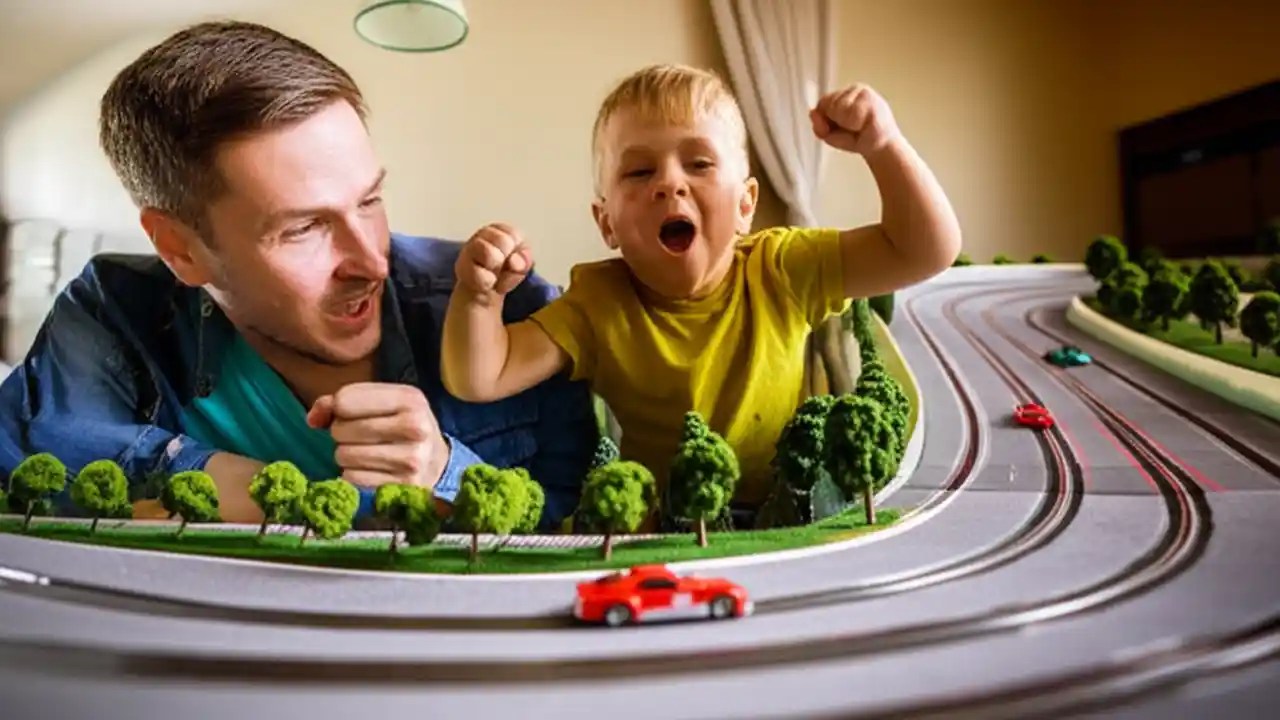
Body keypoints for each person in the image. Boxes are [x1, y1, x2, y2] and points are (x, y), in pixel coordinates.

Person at [0, 21, 596, 531]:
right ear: (180, 250)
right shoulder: (113, 311)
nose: (370, 261)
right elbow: (36, 465)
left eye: (370, 200)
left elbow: (589, 531)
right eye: (304, 228)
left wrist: (449, 478)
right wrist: (273, 492)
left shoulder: (515, 312)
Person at [441, 64, 960, 512]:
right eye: (640, 171)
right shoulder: (598, 302)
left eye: (700, 163)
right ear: (608, 224)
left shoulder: (783, 268)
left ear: (745, 205)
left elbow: (923, 250)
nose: (670, 183)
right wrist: (479, 297)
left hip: (794, 504)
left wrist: (884, 145)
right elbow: (482, 378)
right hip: (662, 525)